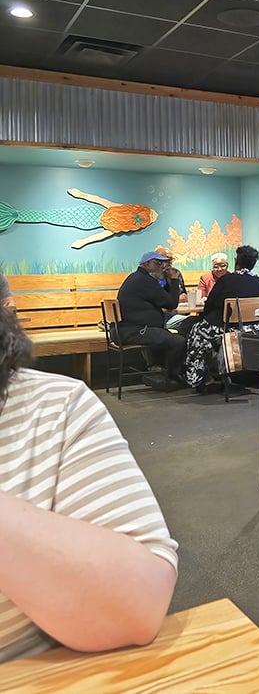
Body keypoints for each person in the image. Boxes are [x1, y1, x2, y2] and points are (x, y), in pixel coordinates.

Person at [0, 306, 177, 664]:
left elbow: (136, 604)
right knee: (177, 340)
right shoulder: (143, 284)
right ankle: (175, 378)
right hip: (131, 331)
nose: (166, 268)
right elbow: (163, 307)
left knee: (179, 339)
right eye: (163, 264)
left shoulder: (54, 407)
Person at [185, 245, 259, 389]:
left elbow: (209, 304)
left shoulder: (226, 280)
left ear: (236, 261)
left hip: (225, 328)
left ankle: (197, 377)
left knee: (196, 330)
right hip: (253, 329)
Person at [116, 252, 187, 388]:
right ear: (146, 264)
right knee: (179, 341)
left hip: (128, 329)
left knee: (171, 333)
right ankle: (172, 377)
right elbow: (171, 303)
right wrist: (174, 279)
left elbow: (163, 299)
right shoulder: (144, 281)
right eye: (157, 264)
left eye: (162, 264)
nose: (161, 267)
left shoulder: (137, 278)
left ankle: (162, 371)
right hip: (134, 331)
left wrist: (167, 281)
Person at [154, 245, 190, 331]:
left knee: (192, 321)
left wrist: (184, 296)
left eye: (171, 259)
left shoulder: (176, 273)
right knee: (192, 322)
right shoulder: (151, 276)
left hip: (178, 312)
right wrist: (176, 298)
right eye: (166, 259)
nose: (169, 262)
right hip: (160, 317)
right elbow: (160, 301)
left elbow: (183, 294)